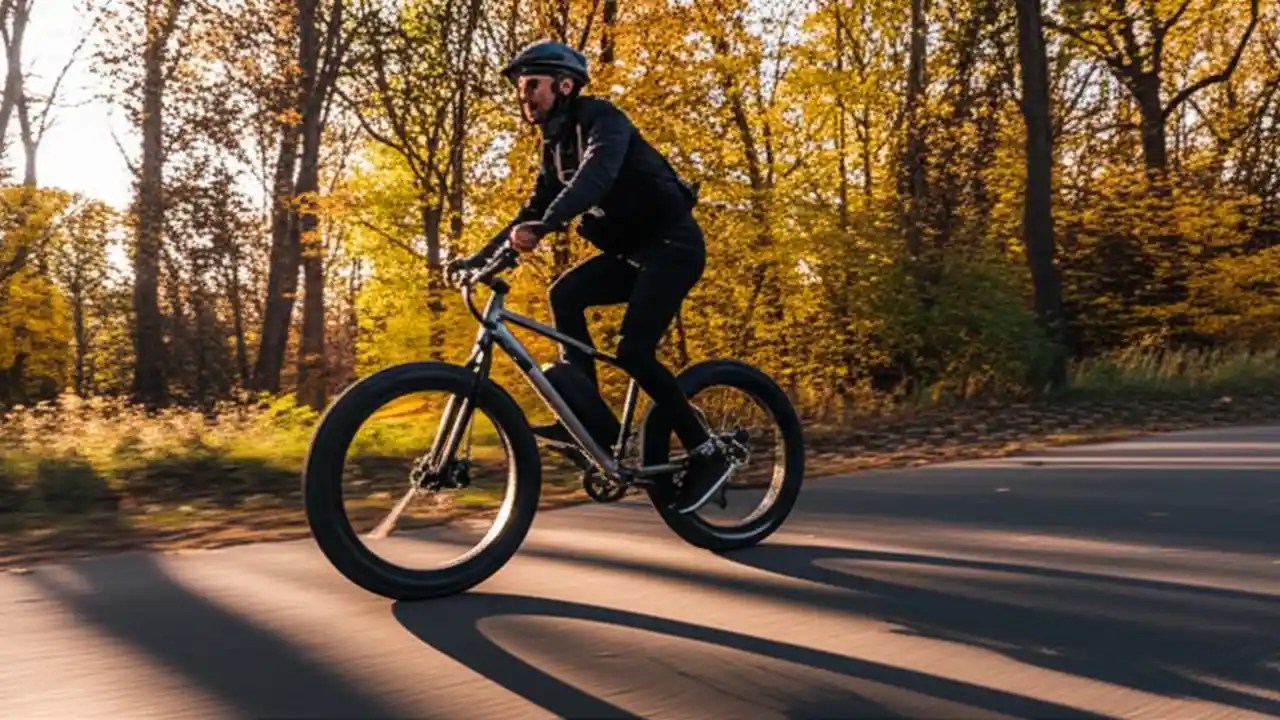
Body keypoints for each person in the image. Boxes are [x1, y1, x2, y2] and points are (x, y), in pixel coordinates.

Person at [446, 40, 732, 514]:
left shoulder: (605, 121)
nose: (525, 96)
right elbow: (531, 208)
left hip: (674, 249)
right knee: (567, 293)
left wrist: (546, 225)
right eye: (521, 88)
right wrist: (477, 260)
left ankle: (706, 452)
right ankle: (587, 416)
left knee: (634, 351)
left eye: (532, 85)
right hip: (634, 254)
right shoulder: (554, 147)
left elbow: (594, 178)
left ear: (563, 85)